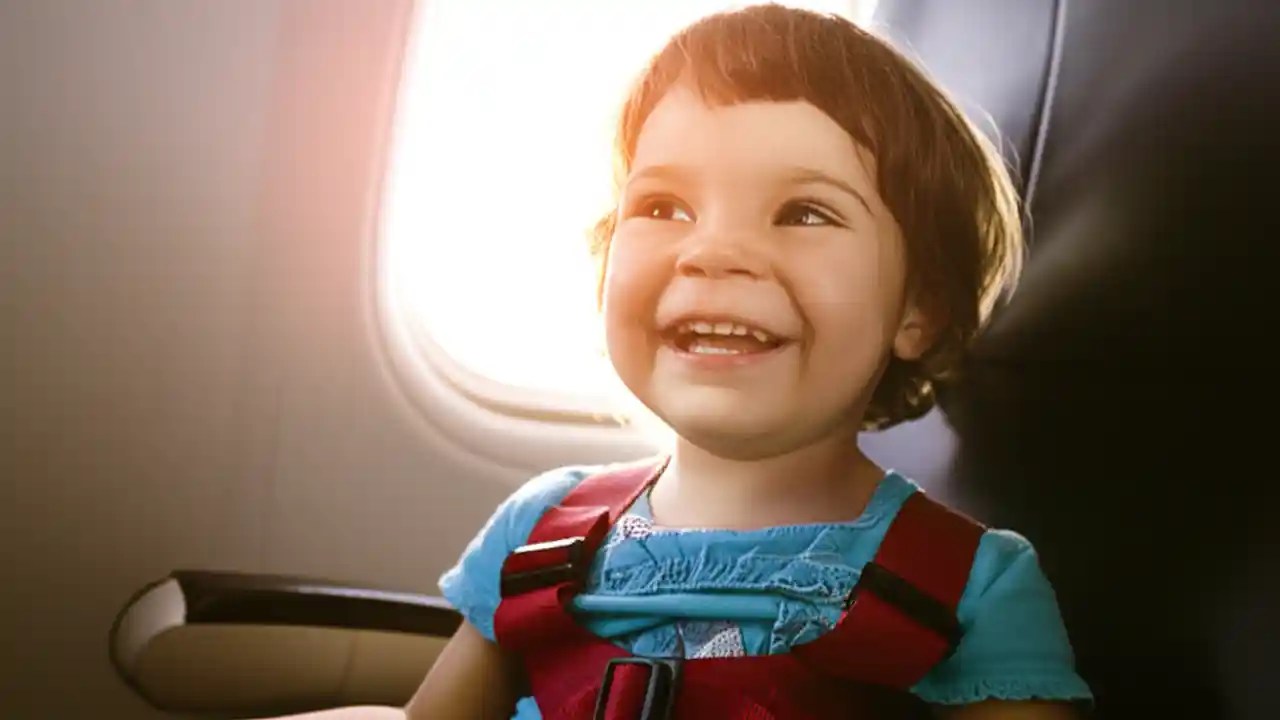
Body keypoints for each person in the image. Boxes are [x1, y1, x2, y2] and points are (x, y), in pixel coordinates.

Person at [286, 4, 1093, 719]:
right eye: (664, 206)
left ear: (919, 309)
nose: (713, 250)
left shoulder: (968, 590)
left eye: (803, 212)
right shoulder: (538, 535)